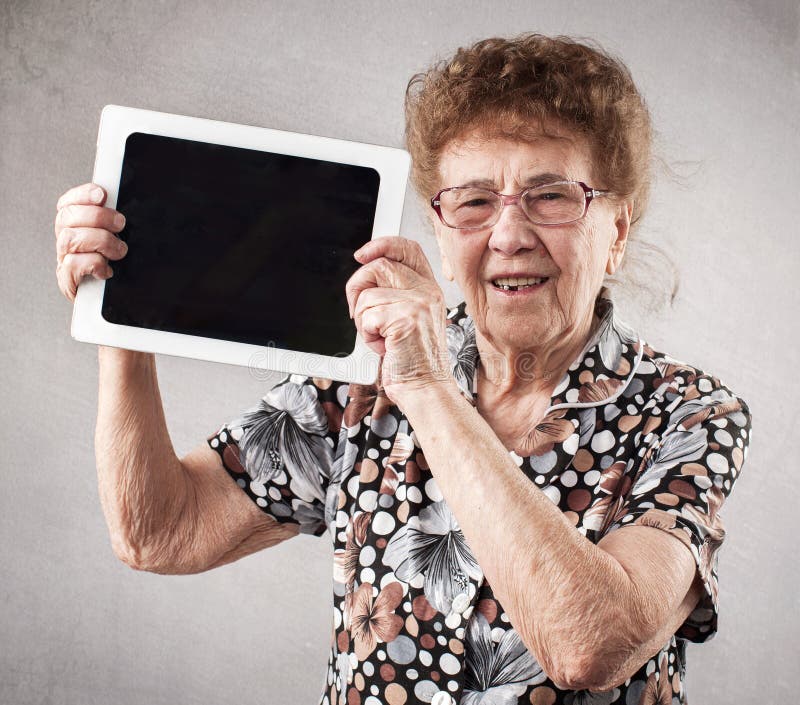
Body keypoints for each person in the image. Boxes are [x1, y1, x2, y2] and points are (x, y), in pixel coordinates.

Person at [54, 34, 751, 705]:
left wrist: (426, 389)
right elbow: (161, 531)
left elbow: (591, 646)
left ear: (616, 231)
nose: (509, 235)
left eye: (552, 196)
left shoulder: (689, 413)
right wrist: (118, 313)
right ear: (444, 237)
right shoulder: (359, 376)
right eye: (475, 201)